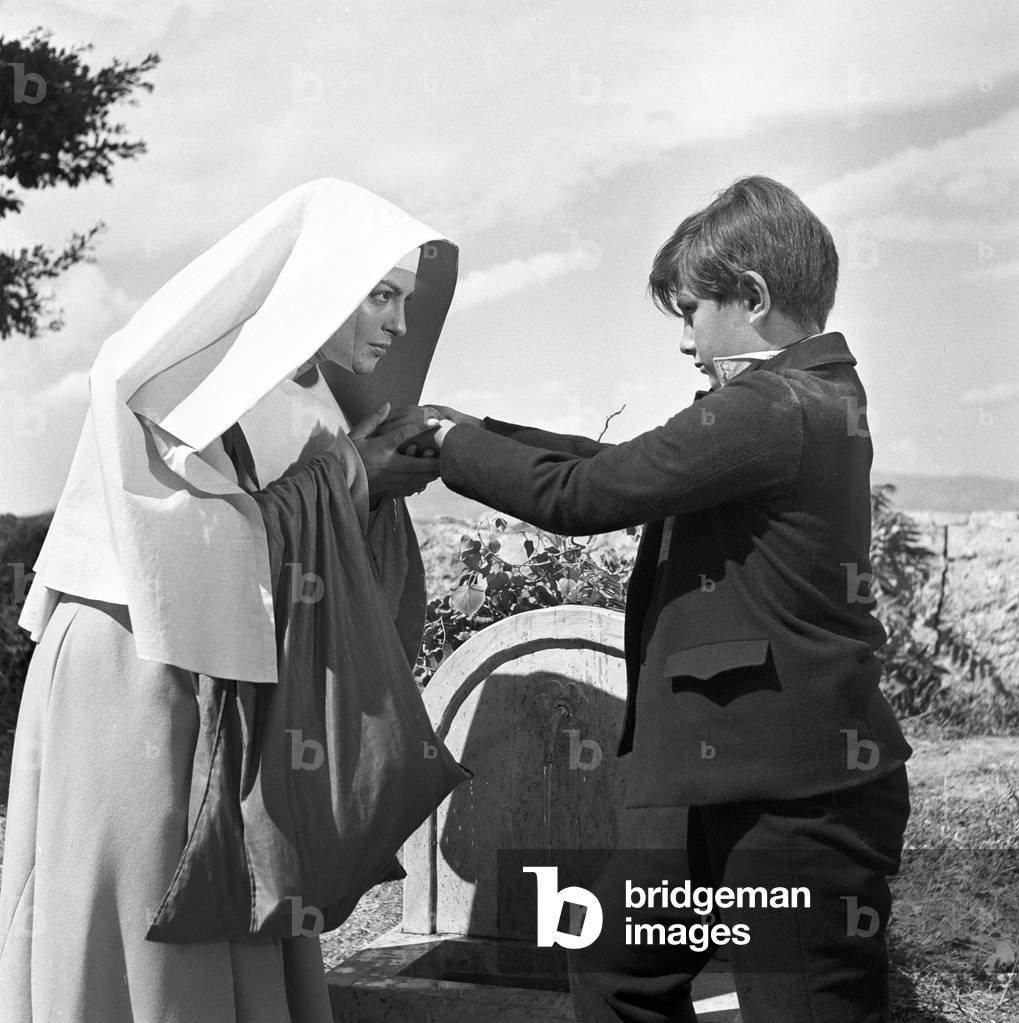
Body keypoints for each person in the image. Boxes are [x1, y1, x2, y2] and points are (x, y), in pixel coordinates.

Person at [425, 177, 912, 1022]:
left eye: (690, 311)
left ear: (751, 297)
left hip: (793, 800)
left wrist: (445, 446)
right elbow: (617, 467)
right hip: (713, 782)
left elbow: (585, 495)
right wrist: (476, 432)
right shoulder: (793, 398)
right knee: (616, 971)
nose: (683, 339)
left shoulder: (778, 405)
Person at [0, 179, 467, 1022]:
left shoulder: (309, 395)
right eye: (380, 294)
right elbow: (180, 539)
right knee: (143, 884)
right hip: (135, 665)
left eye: (404, 298)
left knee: (238, 883)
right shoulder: (198, 376)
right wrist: (351, 473)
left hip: (224, 671)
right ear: (320, 282)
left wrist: (363, 476)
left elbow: (290, 530)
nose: (399, 323)